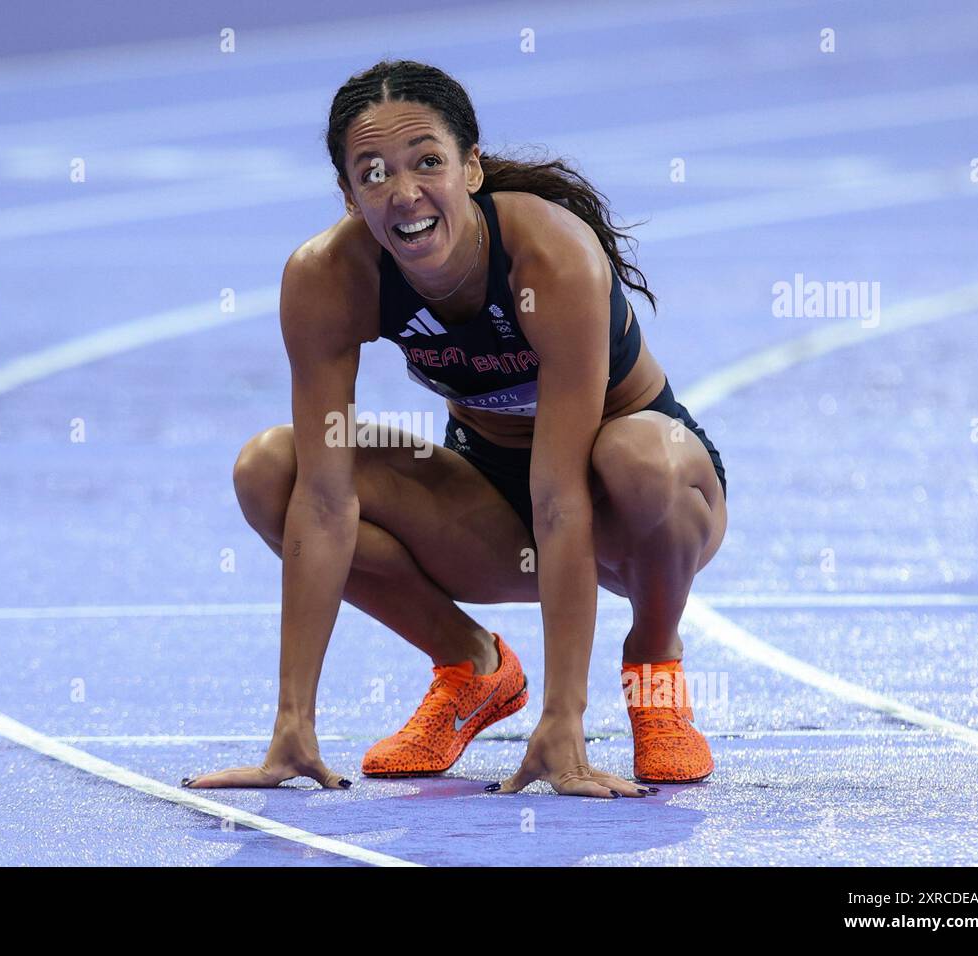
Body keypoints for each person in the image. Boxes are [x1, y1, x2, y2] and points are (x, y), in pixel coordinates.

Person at [182, 59, 727, 798]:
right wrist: (291, 724)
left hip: (632, 503)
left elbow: (563, 497)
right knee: (272, 470)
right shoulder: (327, 277)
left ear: (472, 169)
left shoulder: (551, 256)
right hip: (492, 499)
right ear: (348, 196)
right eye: (372, 173)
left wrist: (566, 722)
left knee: (640, 457)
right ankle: (471, 667)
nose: (403, 194)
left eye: (427, 162)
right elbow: (323, 499)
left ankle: (655, 664)